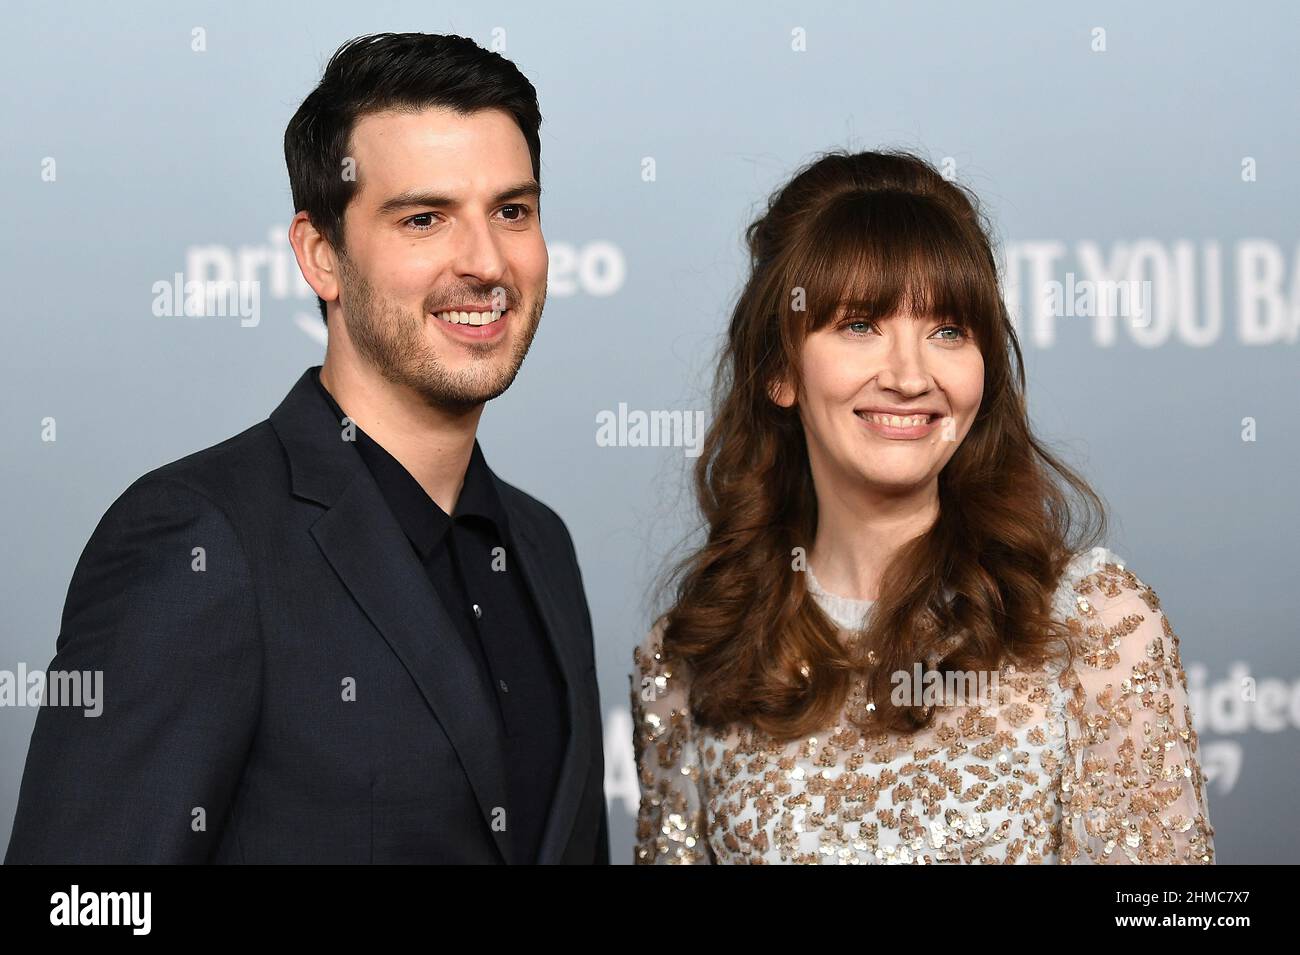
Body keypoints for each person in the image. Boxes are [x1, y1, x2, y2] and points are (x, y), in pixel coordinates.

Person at [7, 32, 608, 864]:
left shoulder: (541, 546)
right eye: (425, 218)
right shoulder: (201, 541)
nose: (485, 261)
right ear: (321, 255)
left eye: (512, 211)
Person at [631, 149, 1214, 865]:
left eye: (947, 331)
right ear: (780, 369)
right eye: (860, 325)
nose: (910, 376)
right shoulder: (691, 657)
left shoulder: (1094, 625)